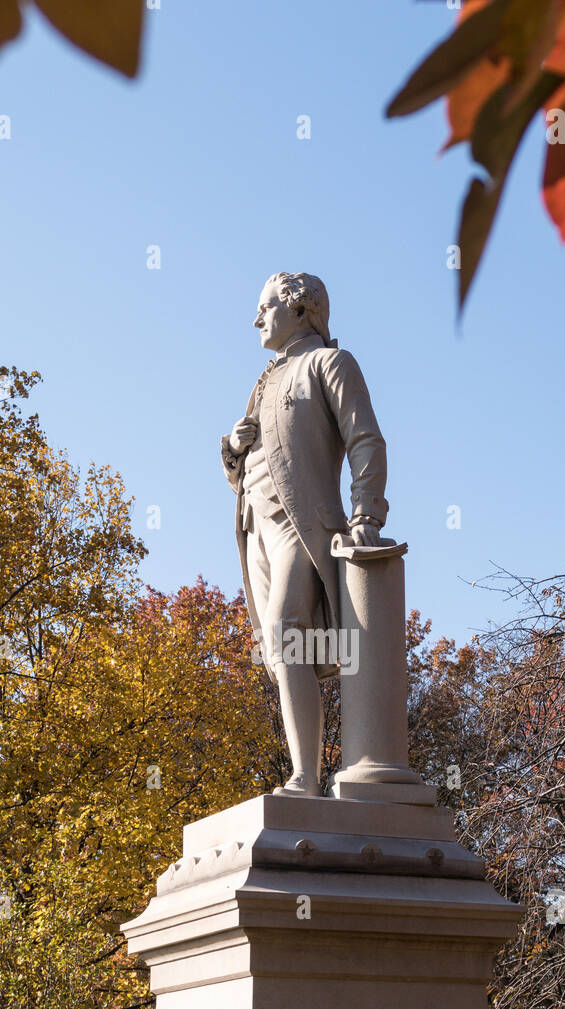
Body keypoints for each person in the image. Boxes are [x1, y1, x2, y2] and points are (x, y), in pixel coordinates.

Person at [221, 271, 389, 796]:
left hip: (303, 525)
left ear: (299, 309)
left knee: (287, 631)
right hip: (257, 530)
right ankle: (304, 775)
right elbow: (242, 470)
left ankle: (304, 780)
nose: (256, 318)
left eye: (265, 306)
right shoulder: (264, 378)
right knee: (279, 651)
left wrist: (367, 514)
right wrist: (232, 445)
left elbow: (366, 441)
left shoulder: (330, 363)